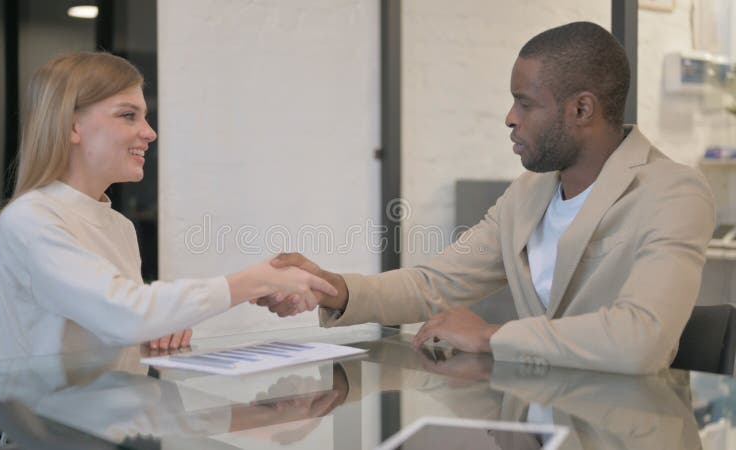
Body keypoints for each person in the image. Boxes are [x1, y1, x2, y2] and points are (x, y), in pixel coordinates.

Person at [257, 21, 716, 375]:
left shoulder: (673, 193)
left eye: (526, 103)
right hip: (536, 419)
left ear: (581, 109)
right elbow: (433, 284)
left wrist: (492, 337)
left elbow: (642, 338)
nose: (510, 118)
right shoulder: (529, 194)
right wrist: (335, 287)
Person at [0, 52, 337, 360]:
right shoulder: (30, 220)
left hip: (120, 424)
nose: (149, 132)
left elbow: (120, 320)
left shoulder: (120, 228)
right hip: (54, 431)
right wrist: (255, 281)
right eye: (128, 115)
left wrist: (157, 326)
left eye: (144, 116)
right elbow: (126, 314)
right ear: (72, 126)